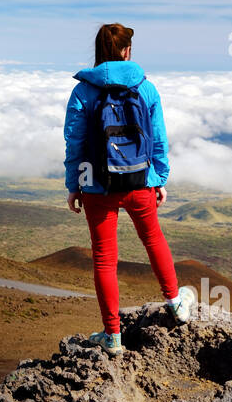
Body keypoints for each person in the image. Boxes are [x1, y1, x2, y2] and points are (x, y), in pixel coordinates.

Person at [64, 23, 194, 355]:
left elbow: (75, 143)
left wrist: (74, 184)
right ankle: (177, 305)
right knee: (153, 239)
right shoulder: (146, 88)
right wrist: (159, 178)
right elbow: (160, 139)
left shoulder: (83, 91)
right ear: (126, 51)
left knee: (105, 259)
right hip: (140, 181)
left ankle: (112, 337)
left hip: (96, 185)